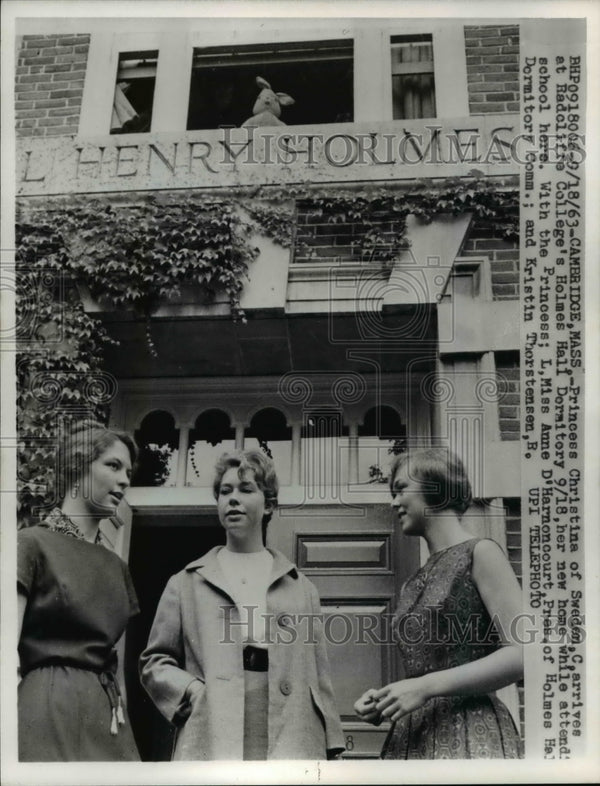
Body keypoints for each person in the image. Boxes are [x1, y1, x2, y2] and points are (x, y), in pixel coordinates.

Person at [140, 449, 344, 760]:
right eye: (225, 491)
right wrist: (192, 692)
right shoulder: (185, 583)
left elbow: (319, 673)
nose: (233, 499)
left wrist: (331, 741)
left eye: (246, 489)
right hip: (214, 718)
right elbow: (155, 661)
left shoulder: (301, 587)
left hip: (291, 723)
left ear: (269, 505)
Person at [354, 447, 523, 759]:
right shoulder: (413, 581)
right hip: (412, 737)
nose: (393, 503)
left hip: (472, 733)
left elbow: (524, 654)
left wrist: (425, 686)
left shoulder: (481, 553)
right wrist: (389, 699)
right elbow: (424, 672)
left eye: (401, 489)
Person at [17, 420, 140, 761]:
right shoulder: (31, 544)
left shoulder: (116, 567)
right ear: (76, 466)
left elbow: (114, 665)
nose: (125, 480)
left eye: (128, 471)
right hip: (44, 709)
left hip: (107, 718)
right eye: (113, 466)